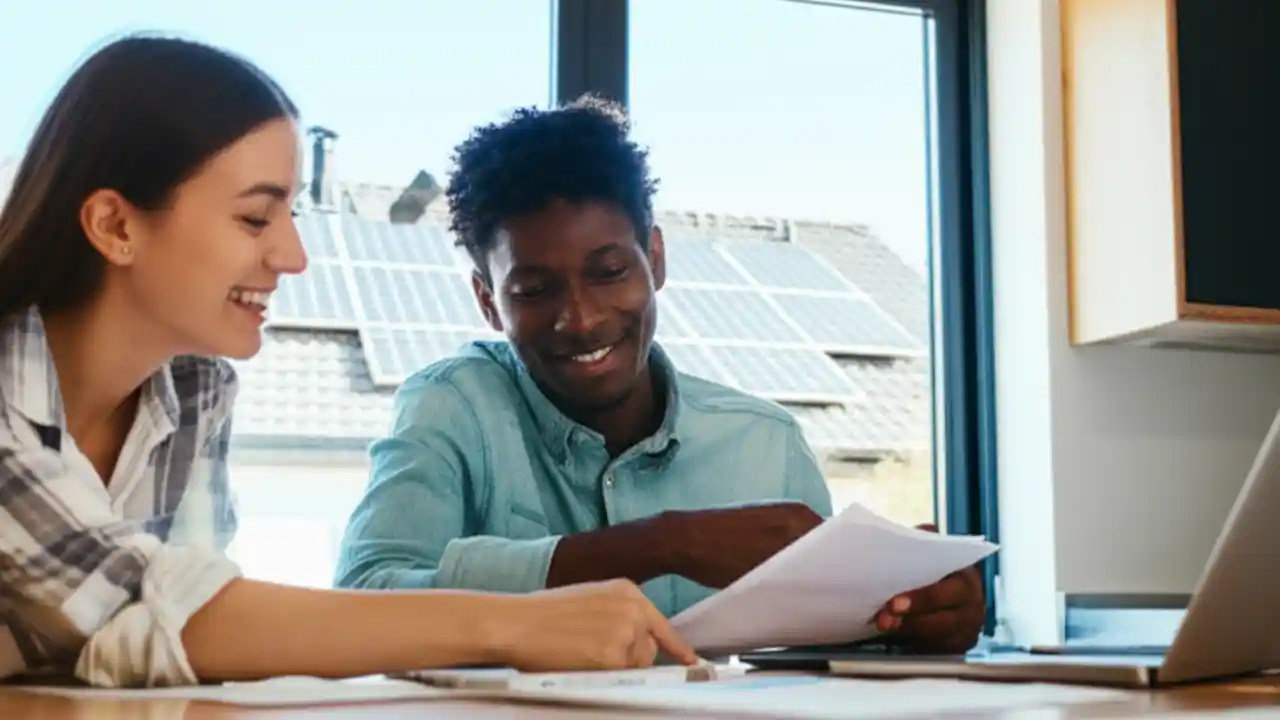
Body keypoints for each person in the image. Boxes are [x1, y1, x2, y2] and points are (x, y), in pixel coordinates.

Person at [0, 36, 695, 689]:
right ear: (116, 226)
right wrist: (515, 622)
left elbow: (153, 640)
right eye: (254, 218)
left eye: (291, 215)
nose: (293, 257)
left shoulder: (191, 390)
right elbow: (169, 617)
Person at [335, 98, 985, 654]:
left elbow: (816, 649)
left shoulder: (765, 444)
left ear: (654, 258)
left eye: (610, 271)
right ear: (487, 300)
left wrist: (911, 623)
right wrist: (662, 544)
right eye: (534, 289)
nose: (582, 318)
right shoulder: (453, 407)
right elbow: (364, 599)